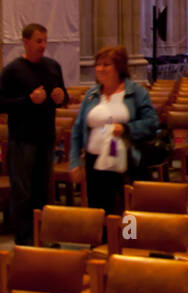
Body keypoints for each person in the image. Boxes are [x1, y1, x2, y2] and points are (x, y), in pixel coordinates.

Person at [70, 46, 159, 217]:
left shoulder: (136, 93)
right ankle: (100, 242)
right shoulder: (92, 94)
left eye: (106, 65)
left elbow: (152, 123)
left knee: (128, 210)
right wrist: (75, 161)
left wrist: (126, 129)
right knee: (99, 209)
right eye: (98, 65)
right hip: (95, 161)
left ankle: (129, 240)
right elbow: (77, 129)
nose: (100, 69)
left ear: (119, 67)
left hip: (127, 160)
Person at [0, 23, 68, 244]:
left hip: (46, 138)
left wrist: (61, 98)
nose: (43, 45)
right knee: (23, 193)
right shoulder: (12, 70)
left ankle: (44, 236)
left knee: (42, 190)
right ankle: (25, 240)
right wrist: (27, 100)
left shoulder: (53, 66)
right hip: (22, 140)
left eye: (45, 41)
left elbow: (63, 96)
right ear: (26, 42)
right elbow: (2, 103)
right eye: (39, 41)